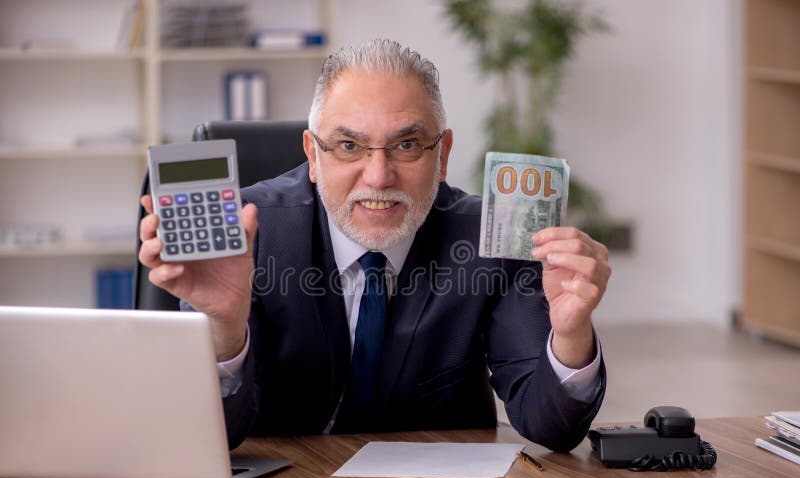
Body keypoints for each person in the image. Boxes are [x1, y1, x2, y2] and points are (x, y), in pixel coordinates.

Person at [138, 38, 611, 452]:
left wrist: (570, 335)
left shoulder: (493, 240)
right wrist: (223, 327)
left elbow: (551, 427)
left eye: (407, 145)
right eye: (349, 146)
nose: (379, 177)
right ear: (313, 155)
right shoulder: (245, 234)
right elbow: (208, 438)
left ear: (442, 154)